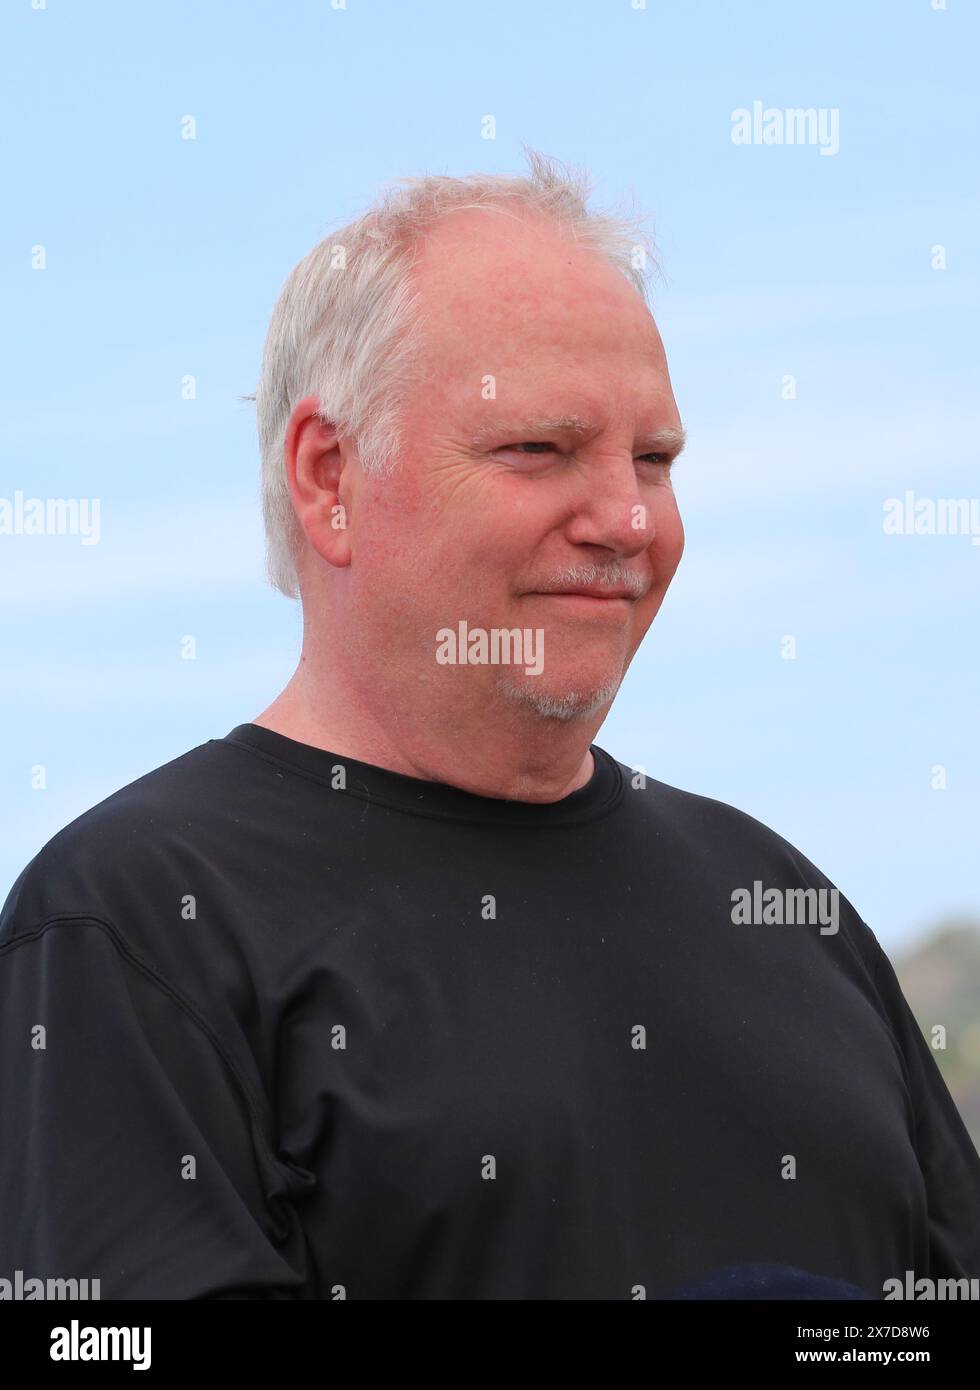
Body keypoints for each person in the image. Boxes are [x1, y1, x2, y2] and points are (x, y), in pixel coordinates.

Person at [2, 150, 978, 1300]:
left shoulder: (778, 898)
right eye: (538, 449)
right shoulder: (133, 921)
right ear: (329, 477)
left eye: (653, 460)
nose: (626, 517)